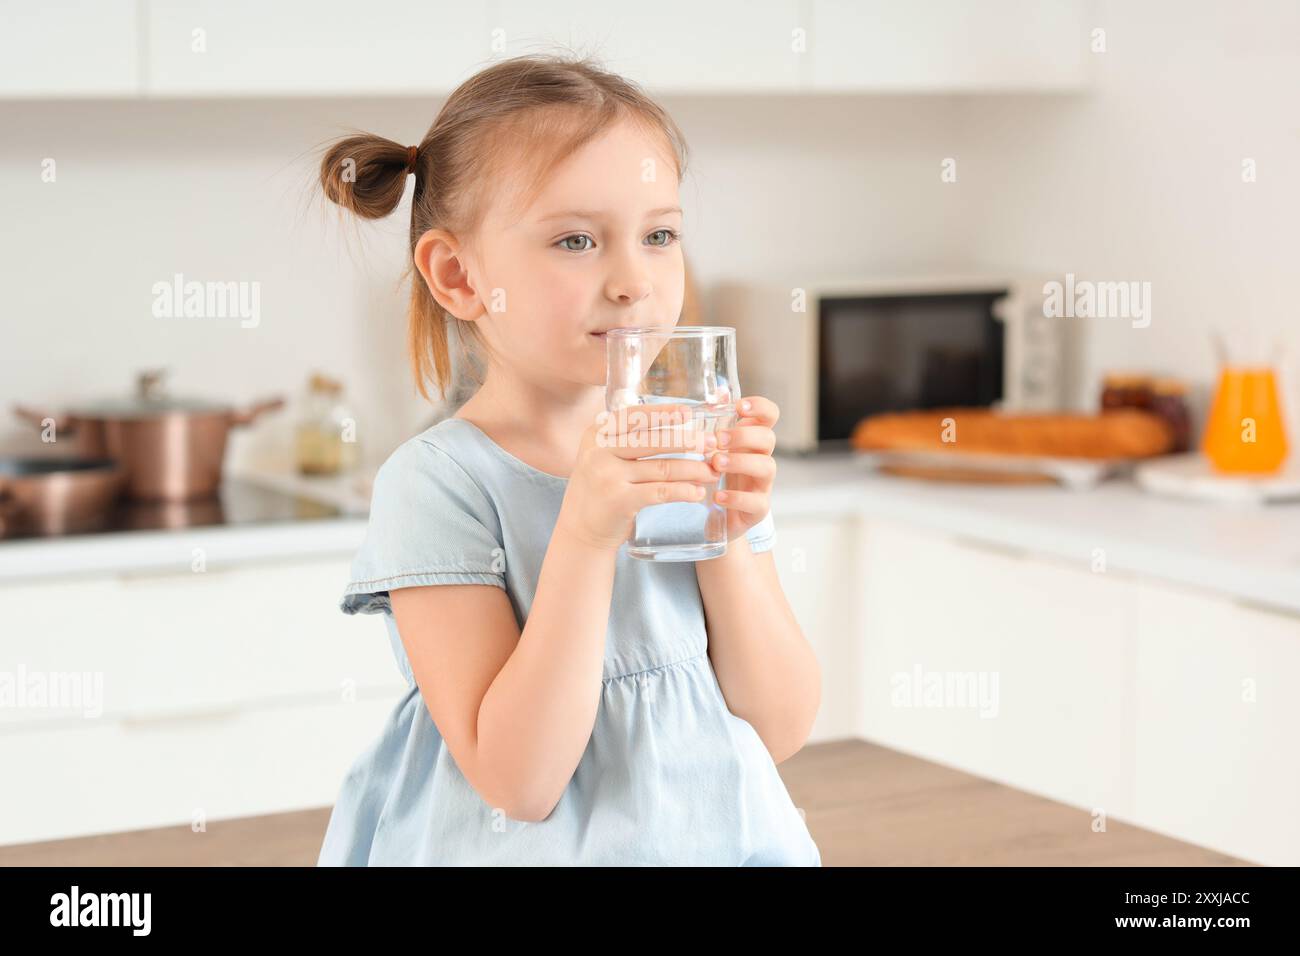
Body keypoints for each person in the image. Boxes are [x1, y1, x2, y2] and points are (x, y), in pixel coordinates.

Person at [315, 53, 822, 865]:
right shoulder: (437, 484)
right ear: (458, 275)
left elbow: (780, 726)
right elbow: (522, 782)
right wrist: (584, 535)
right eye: (577, 240)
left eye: (659, 234)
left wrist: (728, 530)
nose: (633, 281)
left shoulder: (687, 442)